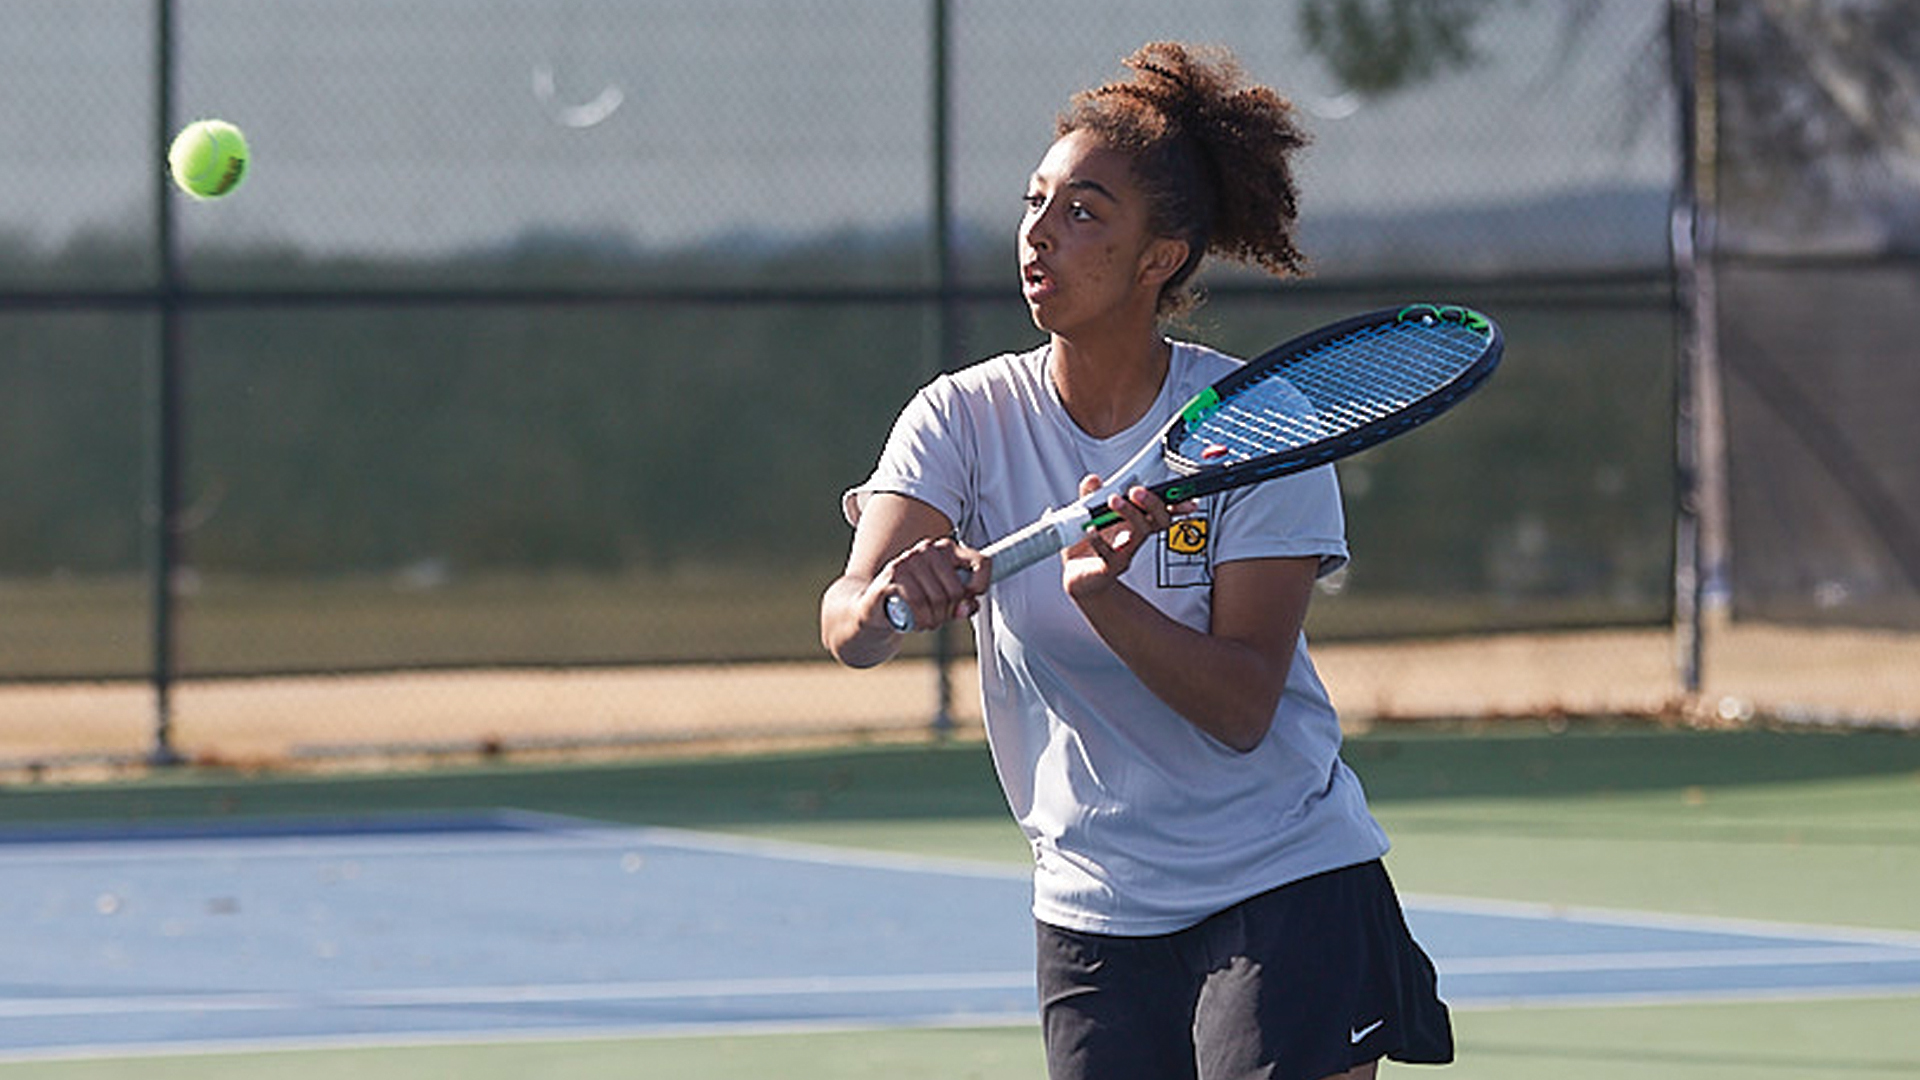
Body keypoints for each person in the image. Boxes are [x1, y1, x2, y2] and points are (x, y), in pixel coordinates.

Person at [820, 42, 1453, 1080]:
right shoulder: (961, 417)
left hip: (1282, 879)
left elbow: (1245, 706)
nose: (1039, 233)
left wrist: (1106, 601)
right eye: (1035, 202)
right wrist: (890, 598)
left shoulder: (1257, 428)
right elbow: (845, 624)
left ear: (1161, 258)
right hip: (1093, 905)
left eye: (1083, 212)